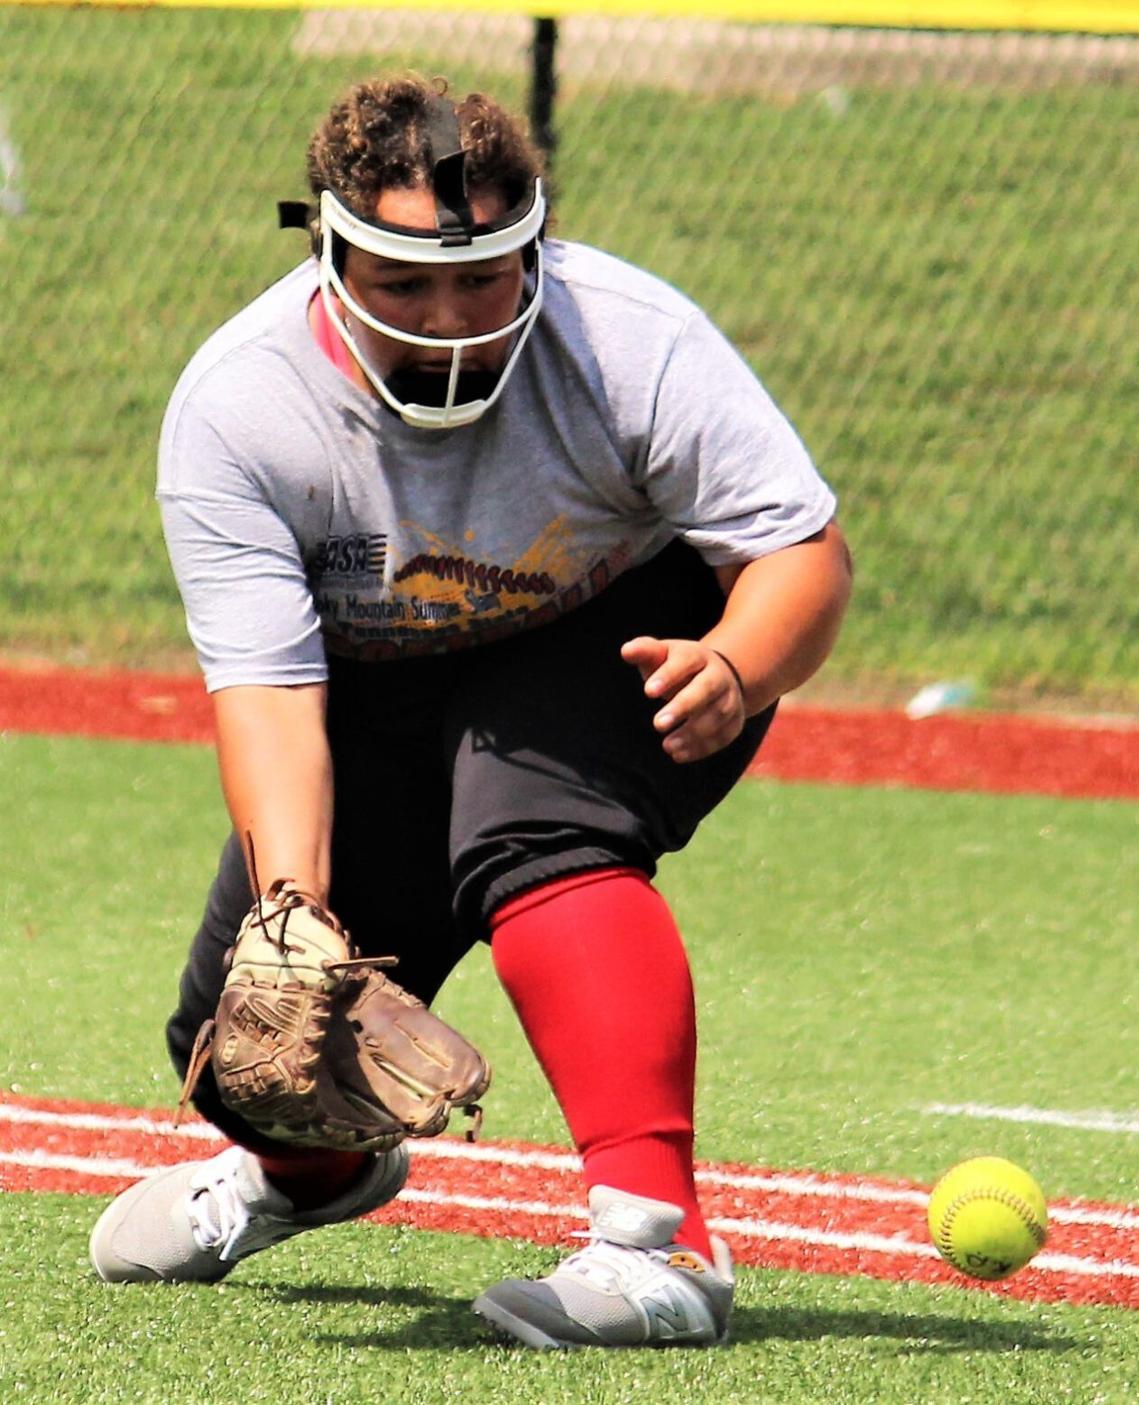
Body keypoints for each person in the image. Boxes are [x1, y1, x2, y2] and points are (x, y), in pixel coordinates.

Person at [88, 74, 852, 1349]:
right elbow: (274, 695)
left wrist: (742, 663)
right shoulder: (237, 405)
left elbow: (801, 549)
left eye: (485, 278)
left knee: (533, 822)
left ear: (534, 252)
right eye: (405, 284)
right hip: (379, 675)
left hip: (624, 634)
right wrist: (293, 908)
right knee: (242, 1043)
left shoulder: (631, 339)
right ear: (329, 253)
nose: (450, 318)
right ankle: (312, 1177)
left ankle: (660, 1247)